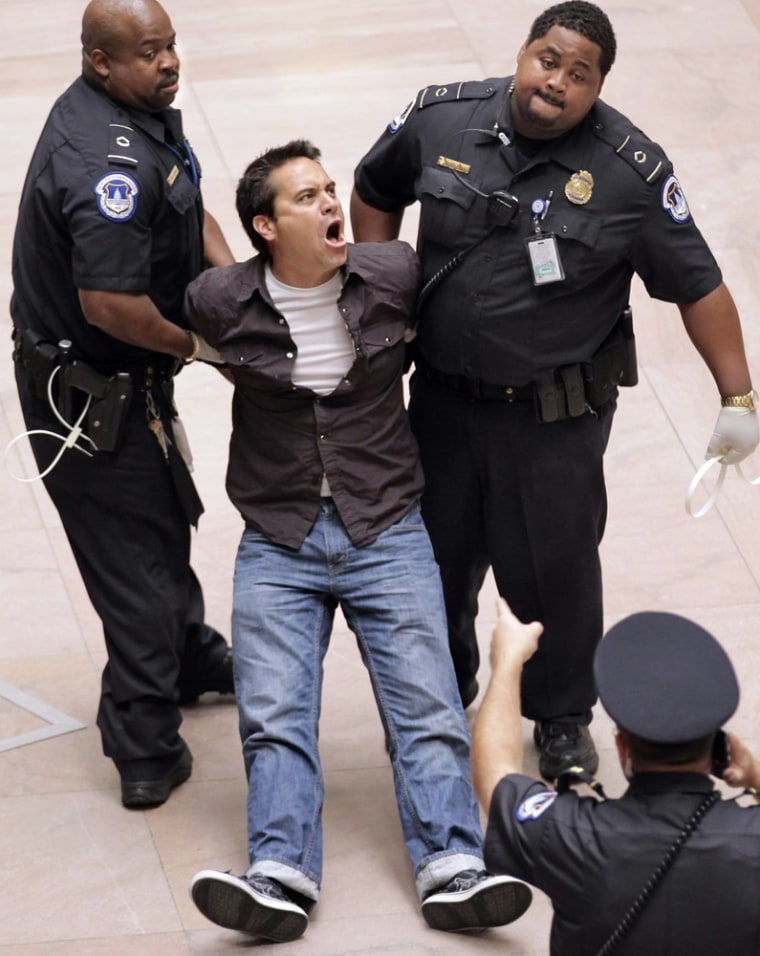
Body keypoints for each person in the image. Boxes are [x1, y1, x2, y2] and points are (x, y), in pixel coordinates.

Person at [350, 0, 759, 781]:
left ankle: (563, 720)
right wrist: (381, 292)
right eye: (548, 59)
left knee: (556, 573)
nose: (557, 82)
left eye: (580, 75)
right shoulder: (444, 119)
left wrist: (737, 398)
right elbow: (375, 189)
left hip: (554, 421)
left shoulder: (628, 170)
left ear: (597, 86)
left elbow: (698, 285)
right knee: (434, 561)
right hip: (440, 403)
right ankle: (437, 701)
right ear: (523, 52)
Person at [183, 140, 533, 944]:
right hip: (278, 534)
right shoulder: (219, 300)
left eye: (330, 189)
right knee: (273, 714)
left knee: (429, 704)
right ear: (266, 227)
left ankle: (454, 866)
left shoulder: (393, 275)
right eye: (307, 197)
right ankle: (279, 874)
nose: (331, 203)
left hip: (388, 526)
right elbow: (175, 324)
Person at [10, 0, 236, 809]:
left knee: (163, 518)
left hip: (128, 380)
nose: (169, 62)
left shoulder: (142, 114)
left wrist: (237, 293)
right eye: (149, 52)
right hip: (88, 397)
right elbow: (110, 302)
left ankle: (189, 652)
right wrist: (205, 348)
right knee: (134, 562)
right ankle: (143, 741)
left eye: (171, 45)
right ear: (100, 62)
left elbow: (189, 205)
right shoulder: (103, 166)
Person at [471, 598, 760, 955]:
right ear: (720, 746)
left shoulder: (572, 835)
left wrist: (507, 662)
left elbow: (495, 774)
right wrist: (756, 777)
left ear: (623, 749)